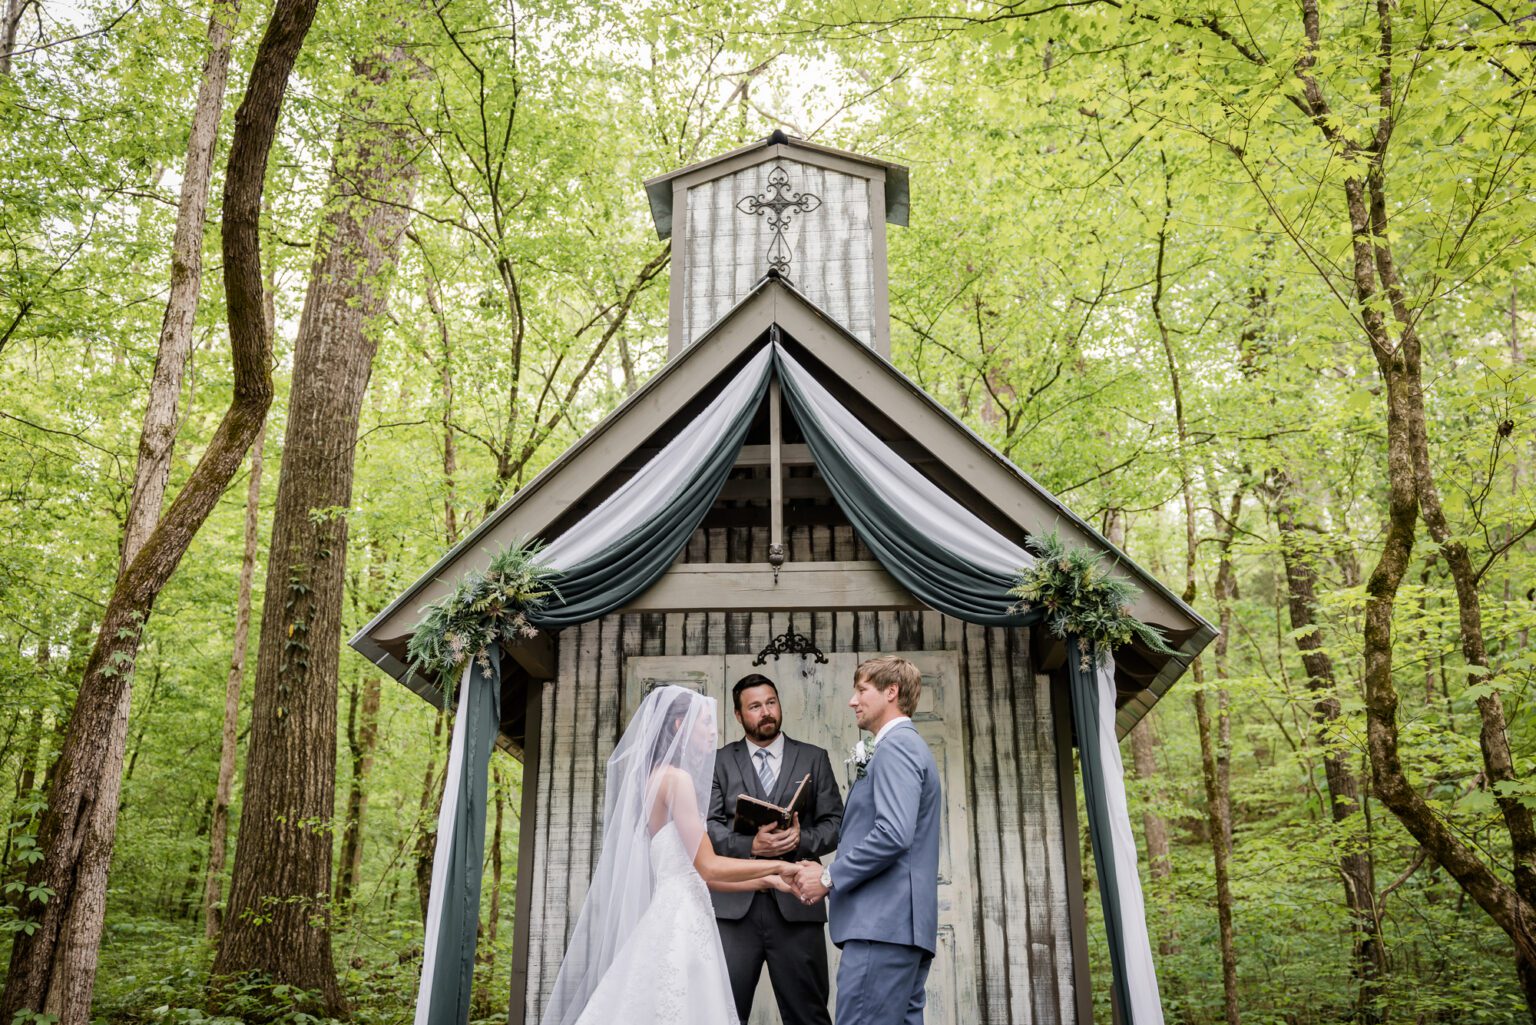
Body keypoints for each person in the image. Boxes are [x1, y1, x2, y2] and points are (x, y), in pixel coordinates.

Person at [540, 685, 799, 1025]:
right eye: (705, 723)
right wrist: (780, 864)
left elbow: (696, 874)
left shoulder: (653, 779)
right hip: (682, 919)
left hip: (677, 907)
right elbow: (708, 867)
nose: (713, 731)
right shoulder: (677, 781)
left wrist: (769, 879)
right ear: (680, 727)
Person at [792, 656, 941, 1025]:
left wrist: (828, 878)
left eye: (862, 690)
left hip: (881, 928)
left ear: (892, 692)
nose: (852, 700)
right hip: (898, 931)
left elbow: (892, 834)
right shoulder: (903, 746)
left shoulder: (897, 747)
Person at [707, 673, 844, 1025]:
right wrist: (750, 844)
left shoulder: (813, 758)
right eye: (755, 706)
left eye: (771, 702)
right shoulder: (718, 761)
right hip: (733, 910)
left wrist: (800, 840)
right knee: (724, 1012)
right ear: (739, 715)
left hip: (798, 904)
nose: (766, 712)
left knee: (809, 1014)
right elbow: (707, 827)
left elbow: (836, 825)